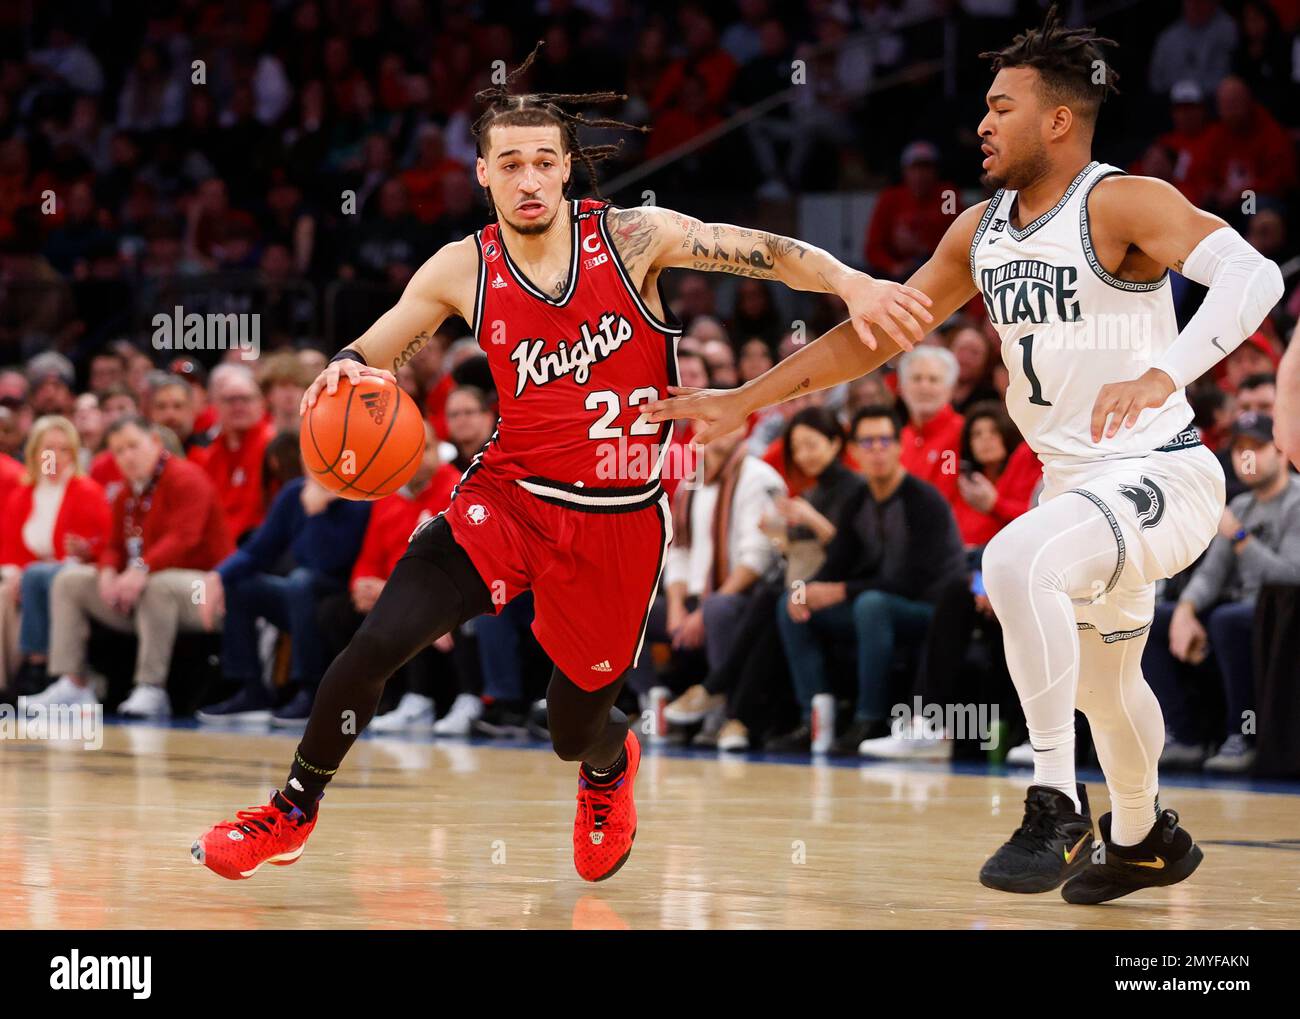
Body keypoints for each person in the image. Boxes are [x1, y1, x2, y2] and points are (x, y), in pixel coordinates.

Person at [190, 52, 931, 884]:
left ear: (568, 166)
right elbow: (382, 340)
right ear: (483, 173)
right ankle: (290, 810)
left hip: (617, 518)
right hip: (507, 498)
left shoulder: (632, 237)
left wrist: (851, 282)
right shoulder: (461, 266)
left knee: (571, 727)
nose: (530, 178)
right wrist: (344, 365)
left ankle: (610, 765)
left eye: (545, 160)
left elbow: (765, 251)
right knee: (376, 644)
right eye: (511, 163)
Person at [647, 7, 1284, 903]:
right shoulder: (977, 231)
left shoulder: (1122, 200)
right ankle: (1143, 837)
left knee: (1017, 555)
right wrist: (741, 401)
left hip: (1161, 470)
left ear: (1057, 119)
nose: (981, 124)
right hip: (1077, 487)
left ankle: (1056, 800)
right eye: (983, 107)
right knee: (1107, 684)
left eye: (1001, 106)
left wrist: (1163, 370)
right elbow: (870, 340)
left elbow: (1257, 278)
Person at [772, 405, 965, 755]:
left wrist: (841, 590)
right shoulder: (859, 499)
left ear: (899, 446)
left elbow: (912, 580)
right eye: (867, 442)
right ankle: (815, 720)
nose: (876, 449)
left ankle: (869, 718)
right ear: (855, 451)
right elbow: (839, 562)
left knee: (870, 604)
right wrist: (804, 590)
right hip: (876, 604)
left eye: (884, 440)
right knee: (790, 606)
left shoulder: (924, 500)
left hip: (930, 611)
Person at [24, 417, 232, 718]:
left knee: (157, 585)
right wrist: (108, 573)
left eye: (133, 446)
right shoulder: (127, 494)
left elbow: (184, 539)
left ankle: (151, 687)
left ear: (156, 443)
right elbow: (113, 547)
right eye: (118, 451)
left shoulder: (186, 478)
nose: (127, 457)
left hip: (206, 591)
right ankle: (73, 684)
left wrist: (139, 570)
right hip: (147, 593)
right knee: (71, 581)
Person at [1146, 414, 1300, 773]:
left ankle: (1243, 733)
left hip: (1284, 616)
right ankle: (1185, 735)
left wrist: (1242, 539)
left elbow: (1292, 576)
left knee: (1227, 621)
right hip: (1242, 612)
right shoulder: (1241, 507)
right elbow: (1211, 575)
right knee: (1156, 619)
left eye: (1256, 448)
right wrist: (1185, 610)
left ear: (1280, 452)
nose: (1246, 457)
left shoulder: (1296, 502)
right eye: (1239, 449)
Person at [0, 416, 111, 699]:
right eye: (49, 449)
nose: (56, 457)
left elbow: (104, 544)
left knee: (34, 579)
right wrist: (15, 572)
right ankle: (8, 680)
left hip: (74, 574)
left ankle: (37, 667)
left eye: (64, 449)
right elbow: (10, 545)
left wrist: (84, 550)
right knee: (5, 593)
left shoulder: (86, 491)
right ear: (35, 452)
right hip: (30, 576)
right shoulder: (23, 493)